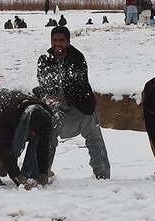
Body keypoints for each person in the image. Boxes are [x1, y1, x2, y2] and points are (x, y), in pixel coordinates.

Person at [33, 26, 111, 180]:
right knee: (47, 135)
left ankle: (102, 175)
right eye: (55, 40)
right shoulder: (45, 59)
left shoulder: (77, 58)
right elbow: (42, 84)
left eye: (61, 40)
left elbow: (81, 85)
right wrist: (48, 97)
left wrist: (66, 99)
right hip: (57, 109)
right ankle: (43, 173)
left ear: (68, 42)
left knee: (95, 140)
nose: (58, 44)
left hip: (80, 107)